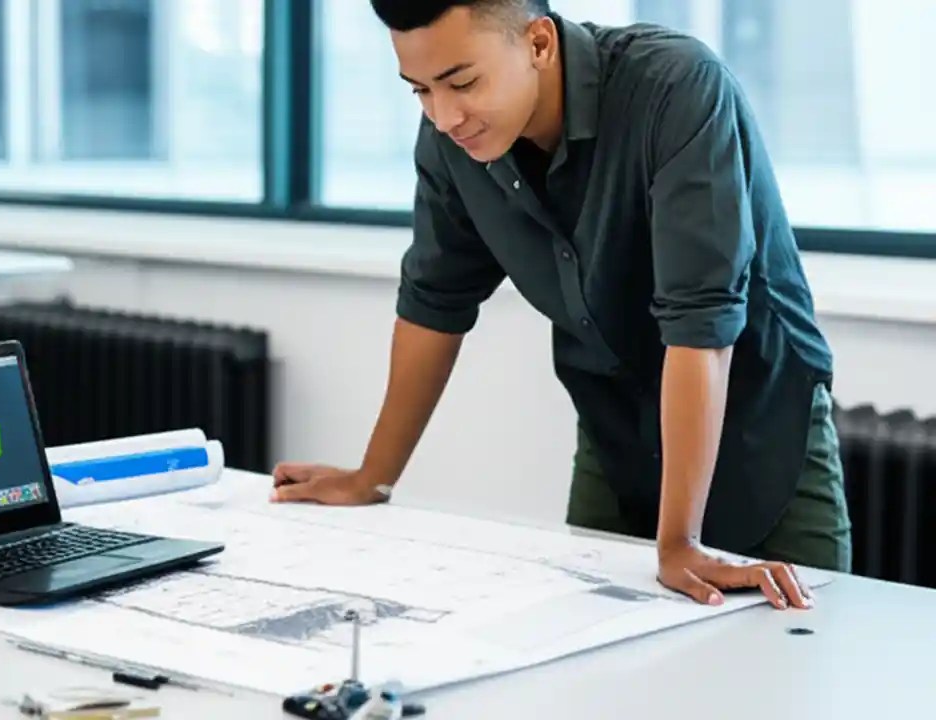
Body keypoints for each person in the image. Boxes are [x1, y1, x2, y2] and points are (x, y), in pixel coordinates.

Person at [271, 0, 852, 611]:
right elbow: (433, 303)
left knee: (798, 653)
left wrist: (679, 543)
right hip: (614, 434)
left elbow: (700, 325)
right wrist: (373, 478)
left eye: (462, 83)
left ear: (540, 44)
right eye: (420, 90)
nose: (444, 116)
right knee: (589, 649)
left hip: (763, 432)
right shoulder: (454, 140)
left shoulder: (677, 88)